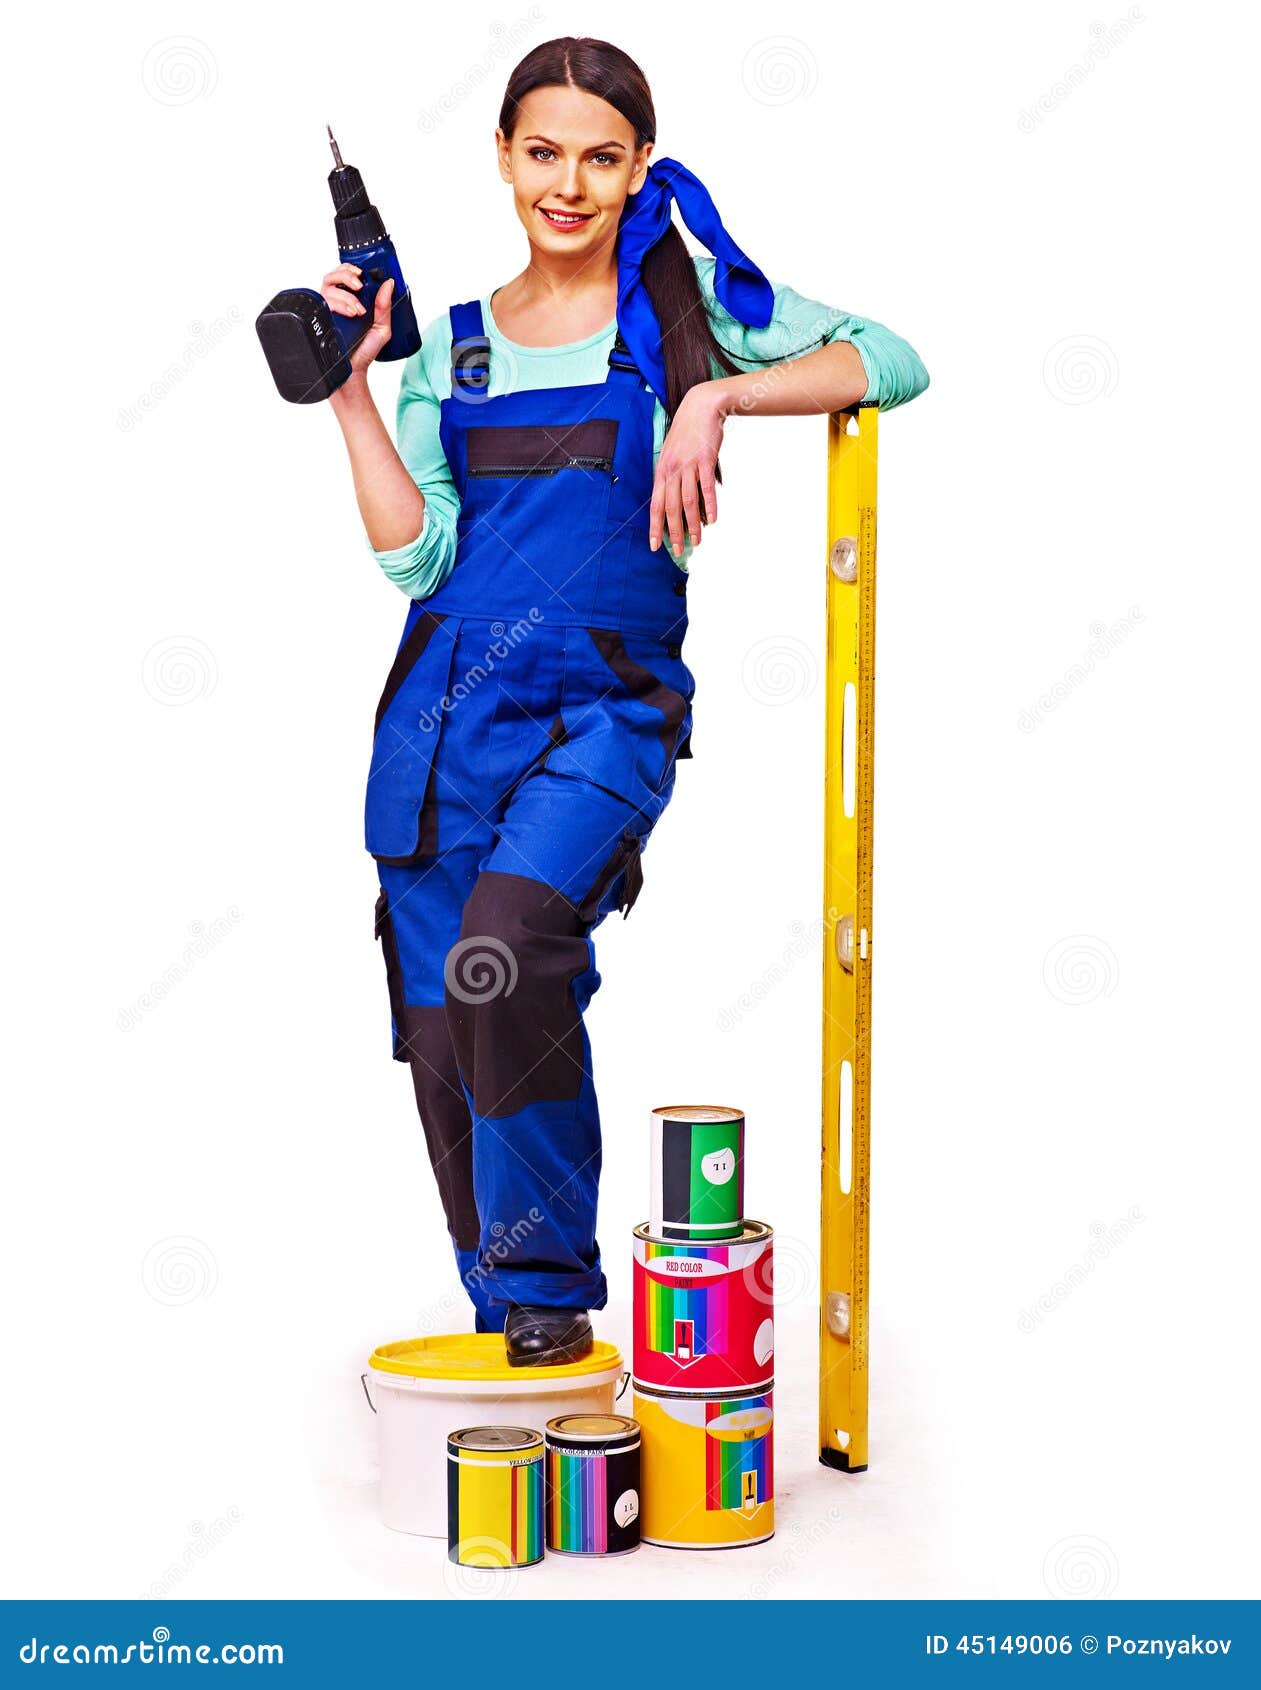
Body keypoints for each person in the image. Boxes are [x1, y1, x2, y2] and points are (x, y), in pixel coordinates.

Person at [321, 36, 930, 1365]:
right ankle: (510, 1332)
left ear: (636, 166)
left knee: (506, 952)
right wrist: (351, 393)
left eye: (601, 157)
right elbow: (413, 558)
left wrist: (718, 391)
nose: (569, 184)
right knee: (445, 1027)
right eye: (543, 152)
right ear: (502, 157)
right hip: (440, 724)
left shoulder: (679, 305)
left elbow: (885, 357)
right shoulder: (458, 352)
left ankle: (547, 1296)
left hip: (604, 712)